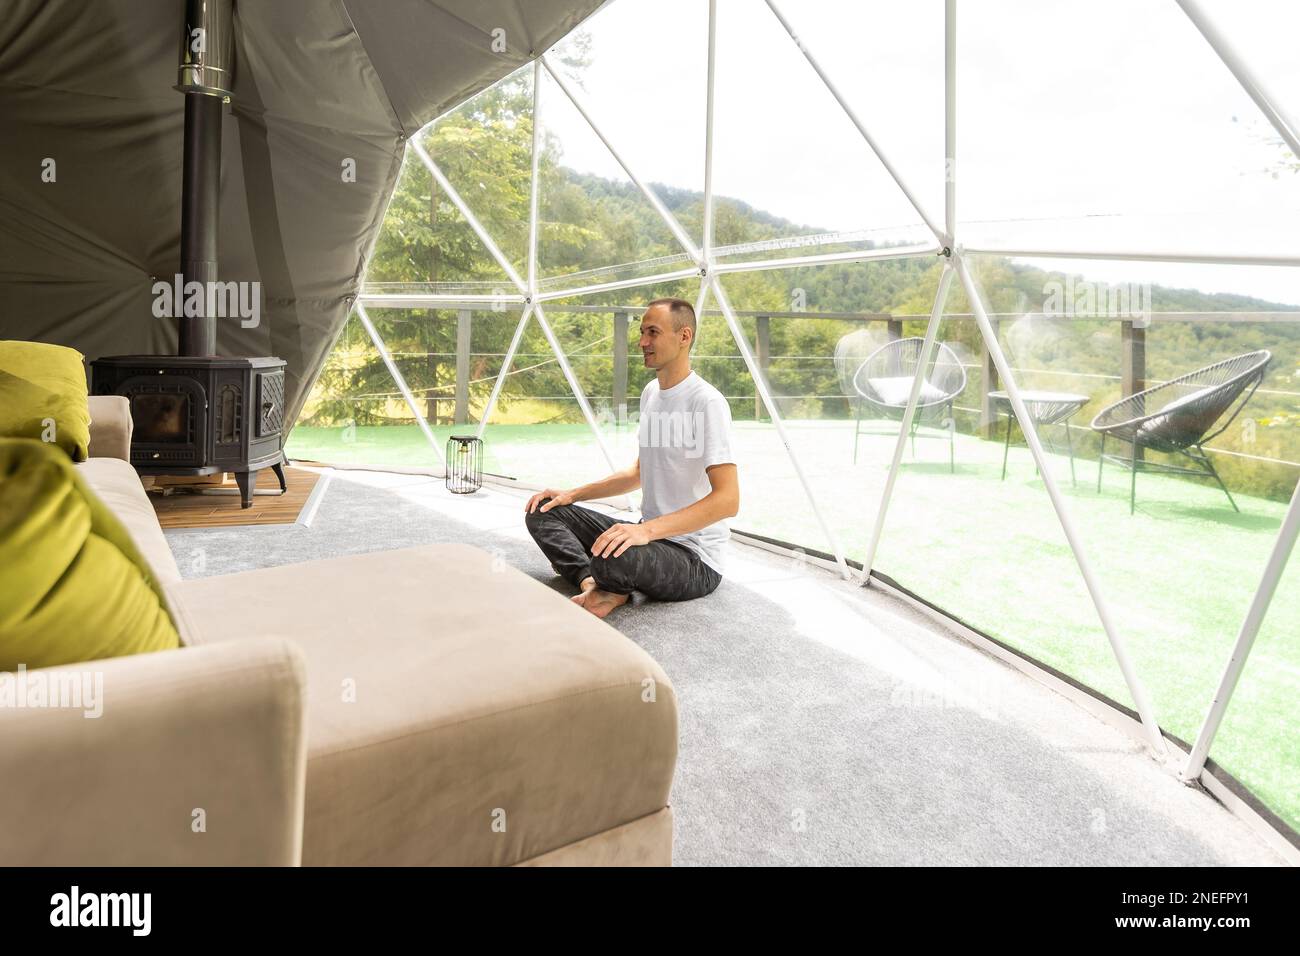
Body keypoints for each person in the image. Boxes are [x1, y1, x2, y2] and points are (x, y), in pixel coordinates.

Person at [525, 297, 739, 618]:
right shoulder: (652, 393)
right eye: (642, 332)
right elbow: (639, 472)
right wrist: (572, 495)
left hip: (694, 558)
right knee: (543, 511)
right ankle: (592, 584)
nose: (642, 342)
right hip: (649, 537)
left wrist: (644, 532)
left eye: (652, 332)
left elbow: (728, 500)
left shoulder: (706, 402)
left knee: (614, 556)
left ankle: (608, 583)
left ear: (684, 337)